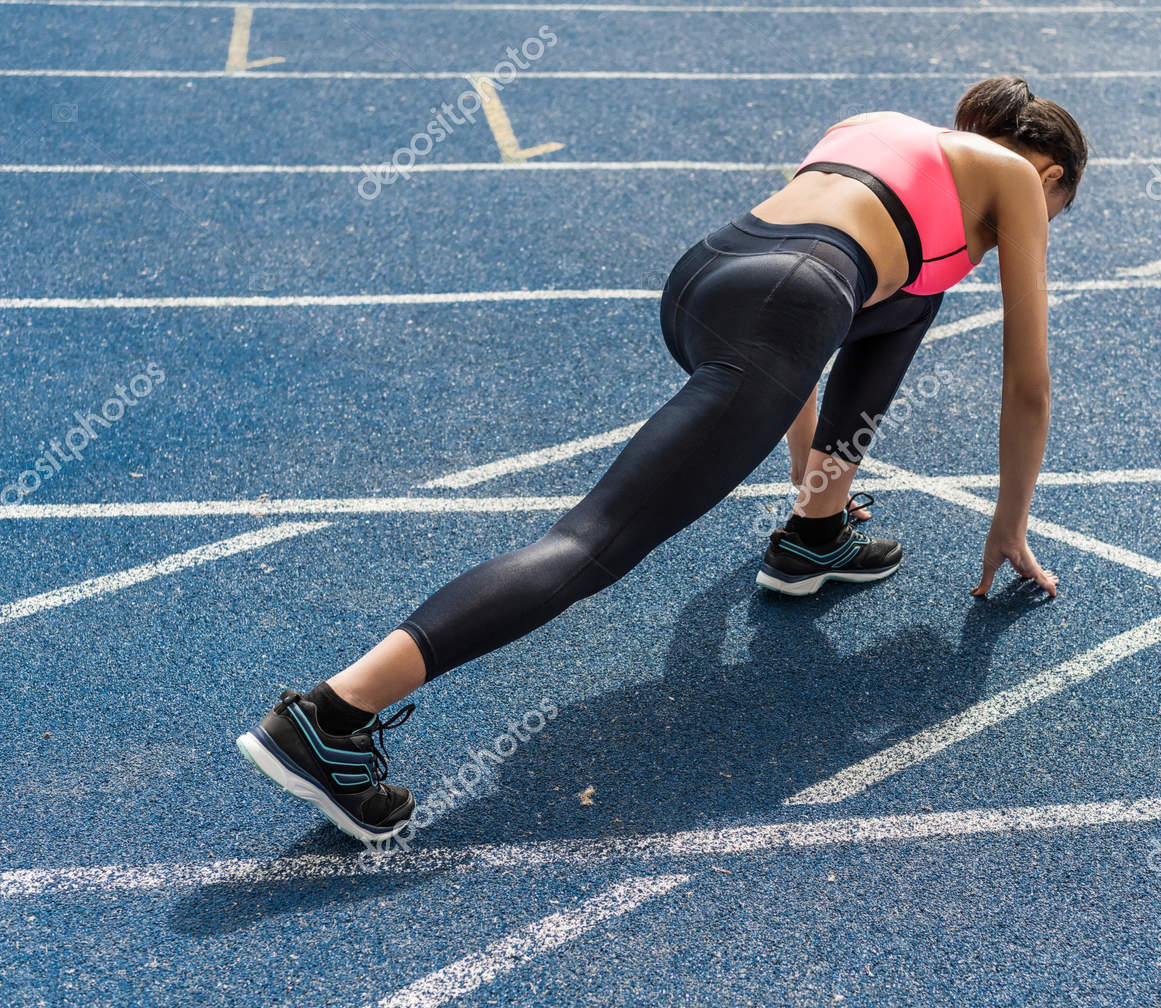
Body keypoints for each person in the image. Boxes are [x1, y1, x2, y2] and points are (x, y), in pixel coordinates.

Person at [236, 75, 1087, 844]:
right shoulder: (1016, 179)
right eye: (1053, 220)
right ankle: (331, 715)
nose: (1032, 238)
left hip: (708, 281)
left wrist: (808, 471)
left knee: (908, 301)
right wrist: (1009, 523)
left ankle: (814, 532)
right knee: (590, 543)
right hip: (789, 307)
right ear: (1048, 177)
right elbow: (1027, 380)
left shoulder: (877, 128)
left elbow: (832, 302)